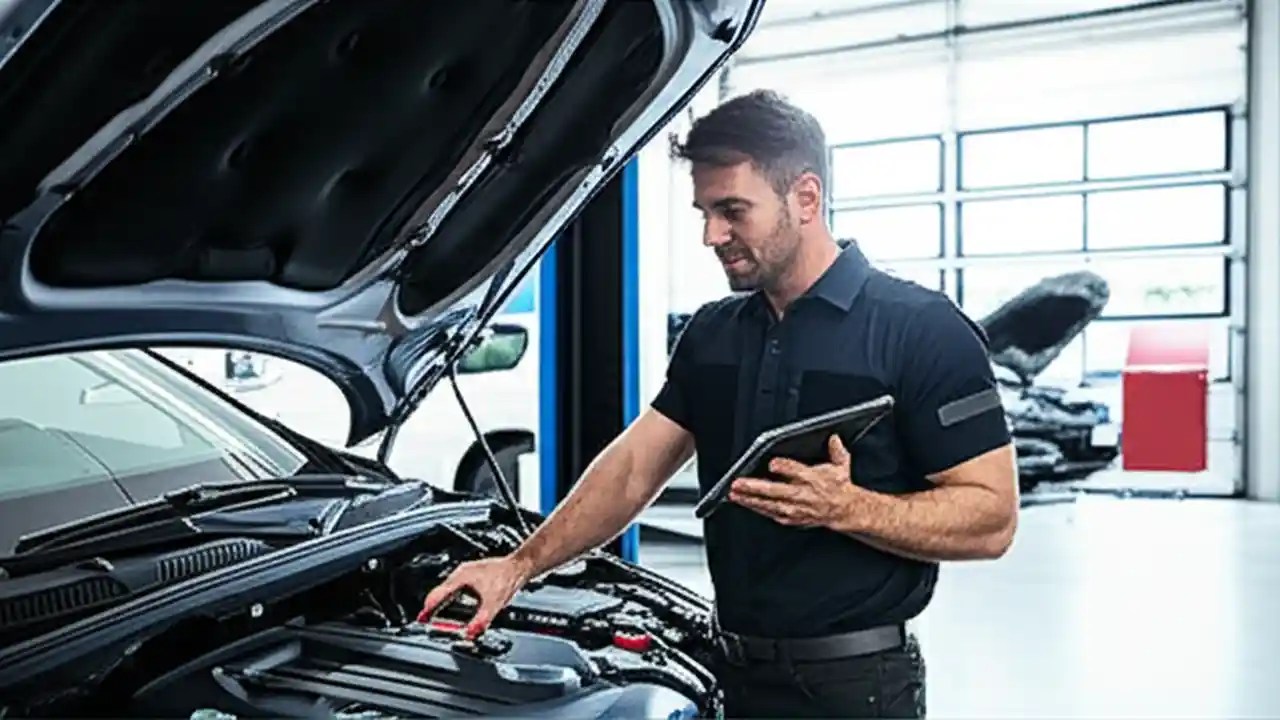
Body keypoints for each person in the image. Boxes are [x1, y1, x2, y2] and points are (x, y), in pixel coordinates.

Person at [419, 89, 1019, 718]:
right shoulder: (713, 333)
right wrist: (519, 566)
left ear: (806, 198)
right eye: (705, 211)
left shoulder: (923, 329)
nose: (712, 234)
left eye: (733, 210)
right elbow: (632, 471)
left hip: (856, 685)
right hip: (728, 673)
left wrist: (849, 508)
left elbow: (992, 518)